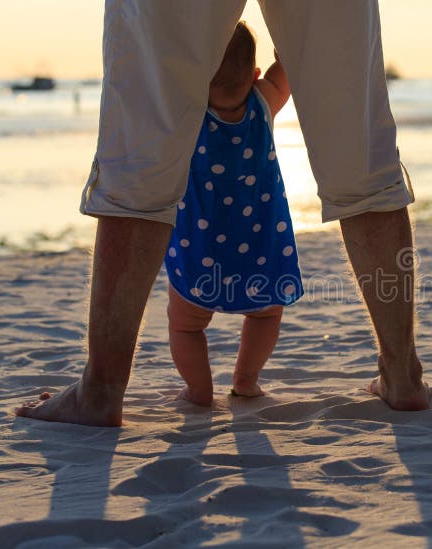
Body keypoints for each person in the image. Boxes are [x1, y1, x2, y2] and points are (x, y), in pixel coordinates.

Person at [16, 1, 429, 427]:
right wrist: (286, 59)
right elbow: (286, 76)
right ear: (250, 77)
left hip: (200, 259)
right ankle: (402, 376)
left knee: (143, 142)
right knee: (358, 148)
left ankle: (102, 389)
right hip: (262, 254)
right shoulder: (261, 103)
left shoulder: (199, 115)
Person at [166, 22, 301, 406]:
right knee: (265, 316)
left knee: (186, 326)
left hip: (199, 245)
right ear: (255, 75)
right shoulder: (263, 102)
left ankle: (198, 389)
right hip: (259, 242)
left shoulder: (187, 113)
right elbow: (287, 67)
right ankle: (245, 380)